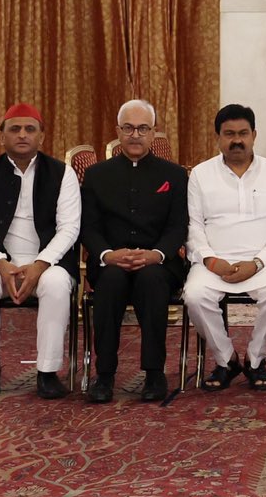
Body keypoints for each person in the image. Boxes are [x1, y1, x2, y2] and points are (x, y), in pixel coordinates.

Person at [0, 101, 80, 403]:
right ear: (2, 136)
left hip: (48, 264)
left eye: (30, 129)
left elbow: (69, 228)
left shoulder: (62, 174)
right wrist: (0, 263)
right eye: (15, 129)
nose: (23, 134)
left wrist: (40, 264)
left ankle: (47, 372)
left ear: (42, 136)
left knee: (57, 284)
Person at [81, 99, 189, 403]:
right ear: (118, 132)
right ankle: (104, 375)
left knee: (151, 280)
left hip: (159, 262)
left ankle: (154, 373)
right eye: (128, 128)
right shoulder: (96, 175)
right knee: (111, 280)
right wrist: (107, 255)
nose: (135, 135)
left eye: (143, 128)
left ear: (154, 133)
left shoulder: (174, 175)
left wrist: (156, 254)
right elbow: (88, 227)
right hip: (110, 260)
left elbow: (178, 226)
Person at [184, 103, 266, 392]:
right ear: (217, 138)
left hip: (263, 260)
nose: (237, 140)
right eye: (229, 134)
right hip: (214, 261)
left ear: (254, 135)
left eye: (243, 133)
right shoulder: (200, 174)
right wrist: (210, 260)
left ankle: (255, 358)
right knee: (195, 296)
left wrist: (258, 262)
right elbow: (193, 226)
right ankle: (227, 360)